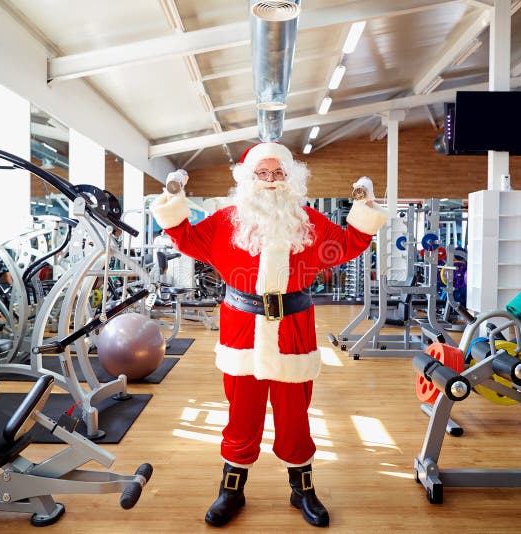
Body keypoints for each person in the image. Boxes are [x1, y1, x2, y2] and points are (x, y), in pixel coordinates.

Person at [150, 142, 388, 528]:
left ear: (290, 179)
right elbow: (187, 240)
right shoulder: (227, 220)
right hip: (241, 329)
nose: (271, 181)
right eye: (263, 173)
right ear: (248, 179)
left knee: (295, 415)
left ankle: (303, 489)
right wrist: (173, 200)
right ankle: (231, 489)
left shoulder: (308, 221)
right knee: (241, 414)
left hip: (294, 331)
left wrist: (364, 209)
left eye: (279, 174)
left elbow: (348, 245)